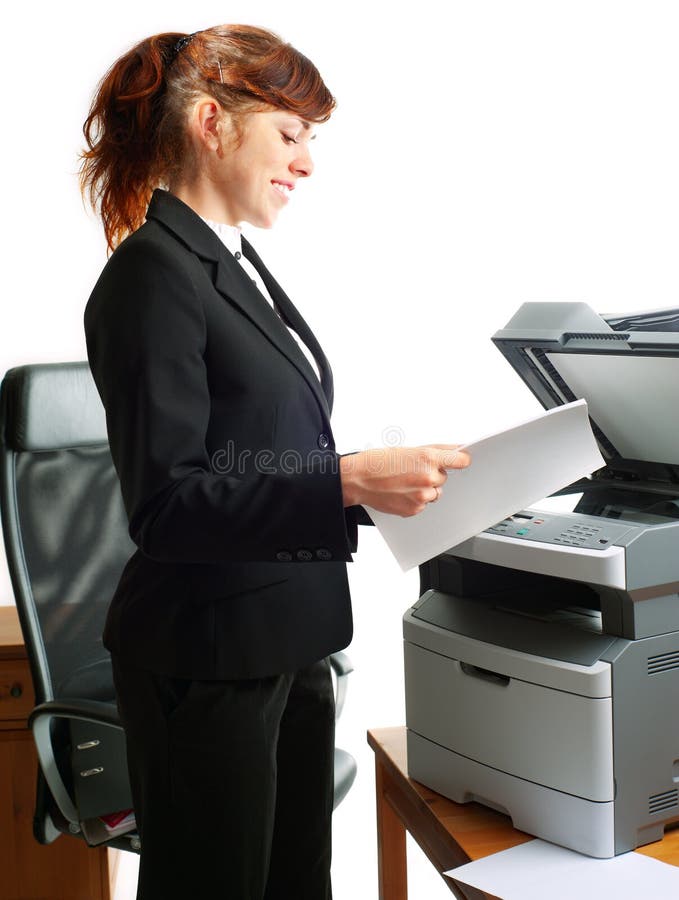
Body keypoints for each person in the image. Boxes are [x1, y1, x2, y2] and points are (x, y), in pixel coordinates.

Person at [80, 24, 470, 900]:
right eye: (290, 135)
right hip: (205, 655)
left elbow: (260, 454)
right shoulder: (152, 275)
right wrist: (346, 478)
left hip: (287, 639)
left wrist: (387, 487)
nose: (305, 163)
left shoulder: (231, 265)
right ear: (212, 122)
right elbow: (168, 504)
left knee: (297, 882)